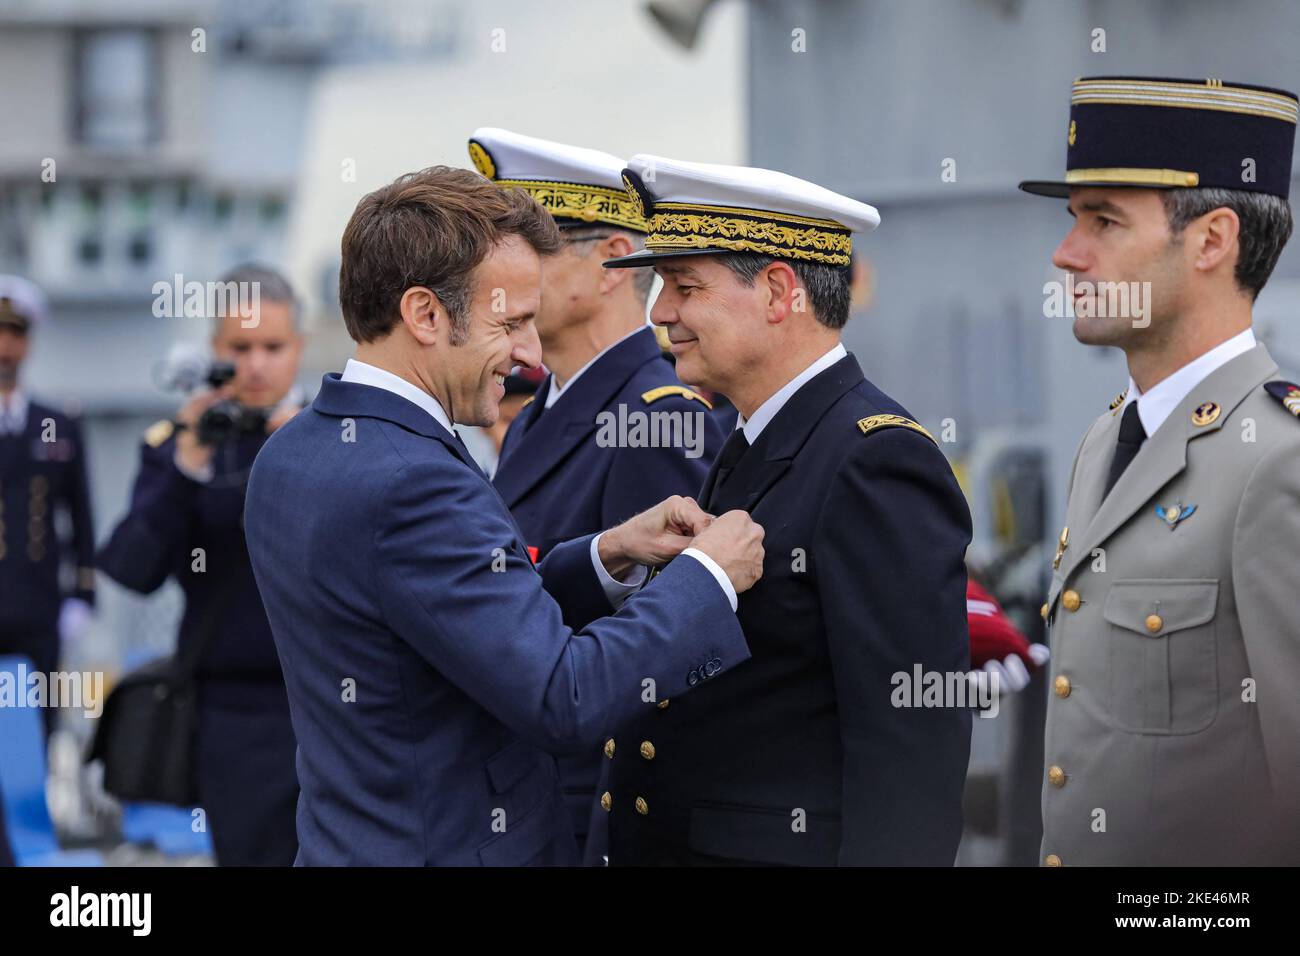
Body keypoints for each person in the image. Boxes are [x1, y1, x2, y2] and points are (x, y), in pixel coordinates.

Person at [243, 165, 765, 866]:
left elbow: (439, 620)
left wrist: (605, 553)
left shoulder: (293, 453)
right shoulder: (415, 479)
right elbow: (562, 695)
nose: (527, 352)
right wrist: (707, 578)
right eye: (510, 322)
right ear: (426, 314)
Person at [601, 155, 973, 866]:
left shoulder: (873, 460)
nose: (660, 313)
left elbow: (911, 749)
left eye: (684, 286)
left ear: (778, 292)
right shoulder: (757, 441)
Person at [1021, 75, 1300, 865]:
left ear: (1212, 241)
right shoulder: (1106, 442)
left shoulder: (1280, 462)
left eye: (1104, 221)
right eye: (1073, 219)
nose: (1066, 253)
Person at [470, 128, 722, 857]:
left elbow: (667, 650)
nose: (497, 281)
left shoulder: (660, 416)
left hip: (594, 809)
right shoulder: (537, 412)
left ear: (613, 260)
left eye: (529, 254)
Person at [97, 264, 304, 866]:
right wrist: (187, 462)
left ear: (300, 349)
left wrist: (308, 452)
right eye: (240, 348)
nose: (257, 365)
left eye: (273, 346)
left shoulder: (331, 432)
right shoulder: (182, 443)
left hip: (333, 694)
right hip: (233, 707)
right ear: (214, 352)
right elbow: (134, 567)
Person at [0, 275, 96, 735]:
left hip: (39, 606)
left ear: (28, 343)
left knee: (37, 730)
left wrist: (82, 594)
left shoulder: (55, 425)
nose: (5, 346)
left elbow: (81, 516)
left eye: (15, 333)